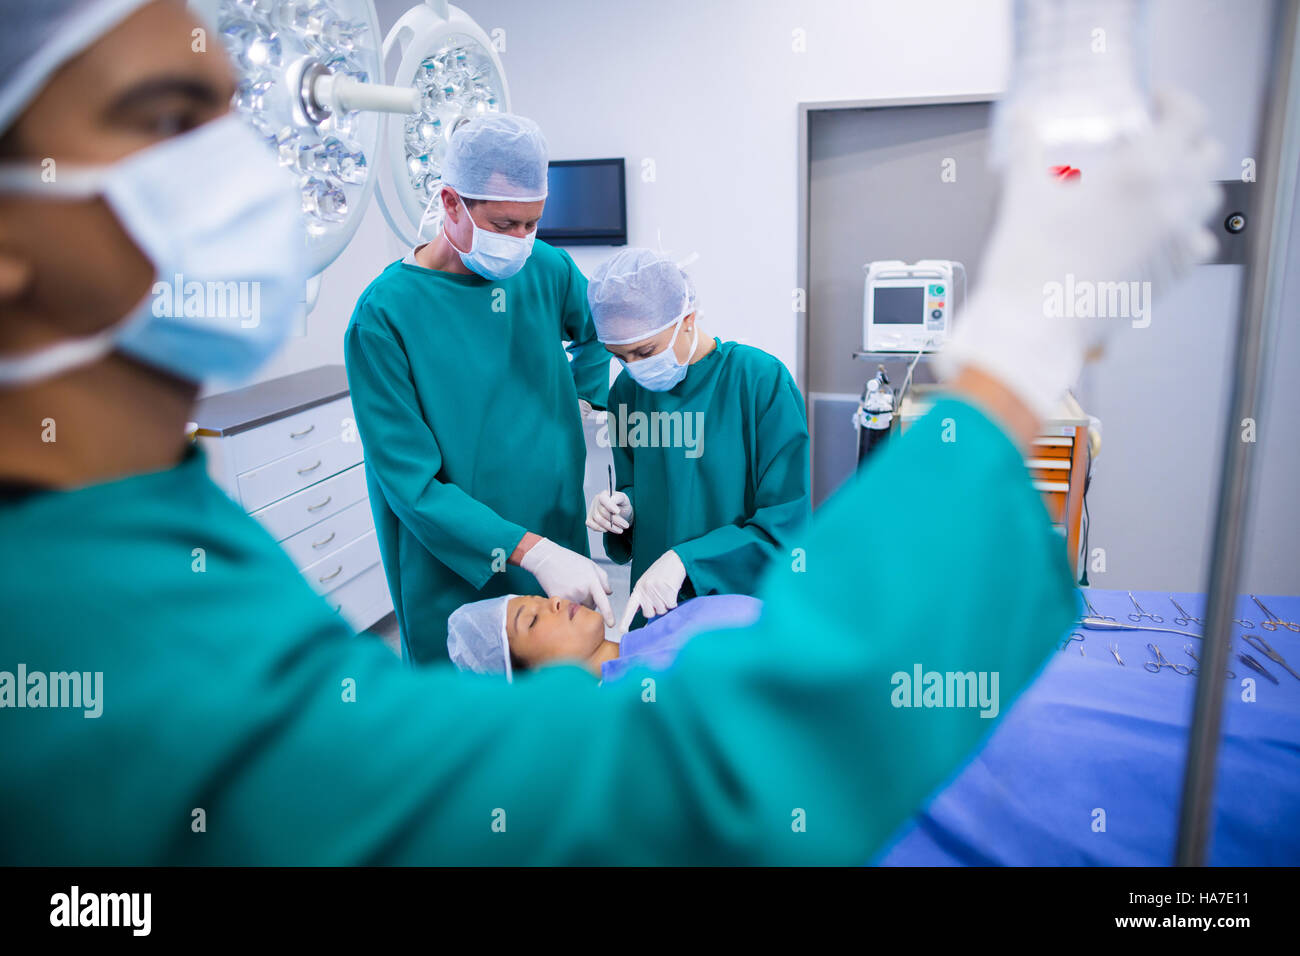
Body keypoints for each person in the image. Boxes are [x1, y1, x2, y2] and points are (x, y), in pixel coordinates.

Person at [0, 0, 1219, 864]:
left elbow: (592, 369)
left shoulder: (169, 523)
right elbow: (675, 784)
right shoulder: (93, 645)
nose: (243, 176)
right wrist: (1020, 349)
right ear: (447, 199)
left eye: (230, 117)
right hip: (468, 575)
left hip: (563, 550)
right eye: (169, 117)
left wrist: (642, 395)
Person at [344, 111, 614, 664]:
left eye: (531, 224)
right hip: (455, 558)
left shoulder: (545, 268)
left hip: (554, 526)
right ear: (451, 204)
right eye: (502, 225)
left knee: (564, 693)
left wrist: (586, 394)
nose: (520, 241)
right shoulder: (384, 316)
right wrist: (527, 552)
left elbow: (596, 332)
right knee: (467, 719)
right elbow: (411, 485)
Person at [584, 249, 811, 631]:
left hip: (740, 610)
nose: (635, 368)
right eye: (620, 356)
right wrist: (625, 509)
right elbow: (635, 484)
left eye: (644, 351)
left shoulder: (759, 381)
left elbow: (784, 526)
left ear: (686, 319)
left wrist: (688, 561)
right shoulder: (627, 391)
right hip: (657, 609)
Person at [446, 592, 764, 682]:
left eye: (541, 599)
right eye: (531, 620)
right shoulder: (637, 709)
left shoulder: (662, 621)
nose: (554, 601)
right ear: (537, 679)